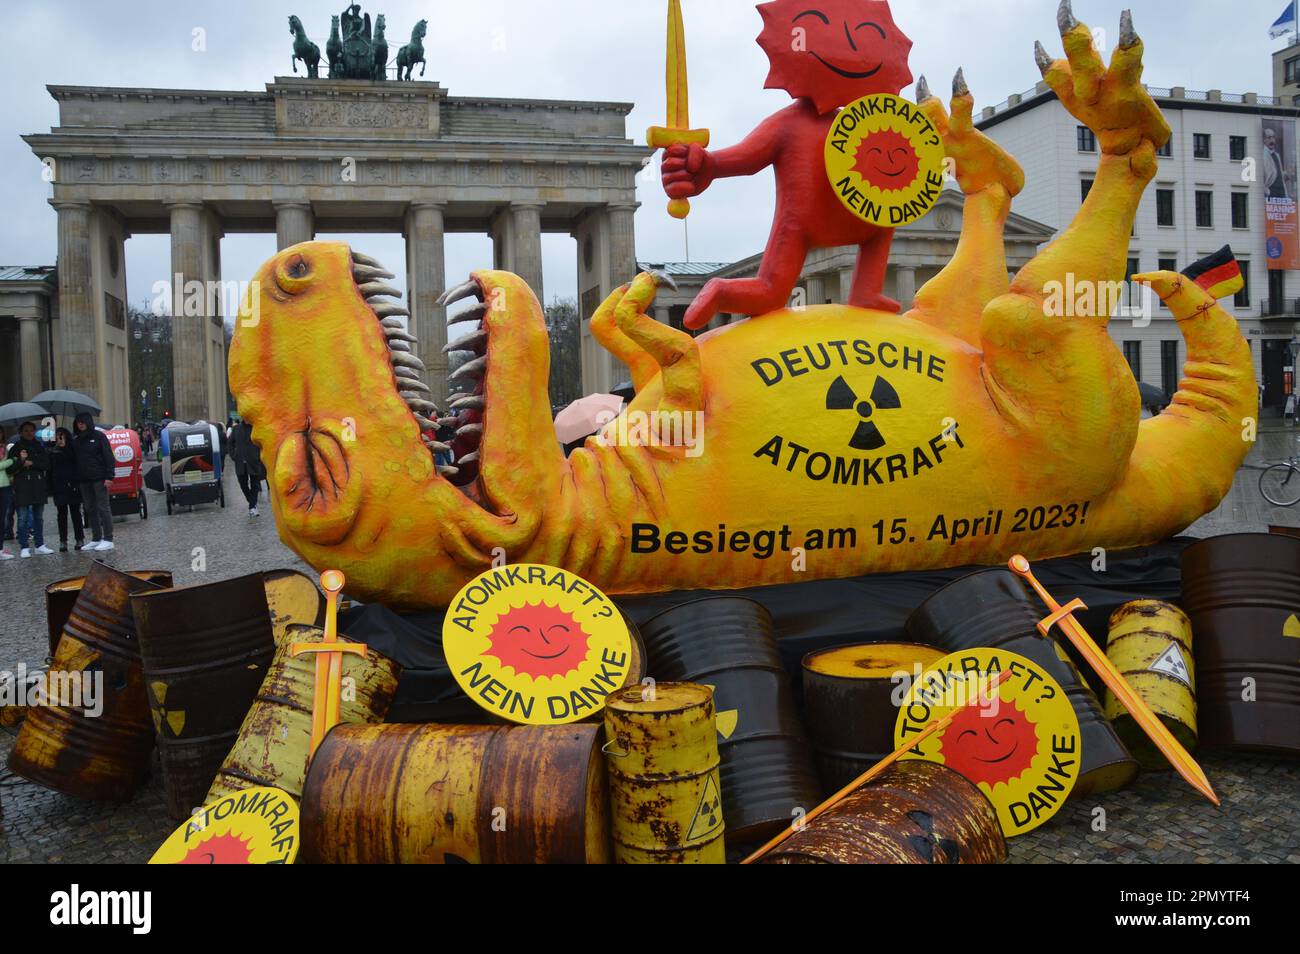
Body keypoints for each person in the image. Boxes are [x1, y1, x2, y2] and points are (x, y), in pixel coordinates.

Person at [72, 411, 117, 552]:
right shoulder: (76, 440)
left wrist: (109, 476)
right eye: (78, 422)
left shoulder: (99, 437)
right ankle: (96, 537)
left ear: (88, 422)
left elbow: (108, 457)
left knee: (103, 507)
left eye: (83, 422)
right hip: (84, 479)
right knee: (90, 509)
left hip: (99, 478)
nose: (81, 424)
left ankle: (108, 538)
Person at [9, 421, 53, 557]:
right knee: (23, 518)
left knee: (38, 517)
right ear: (21, 432)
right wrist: (21, 461)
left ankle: (40, 544)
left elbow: (46, 464)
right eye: (26, 431)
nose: (29, 433)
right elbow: (10, 468)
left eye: (31, 430)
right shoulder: (16, 448)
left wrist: (32, 463)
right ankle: (24, 546)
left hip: (38, 485)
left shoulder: (39, 446)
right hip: (22, 486)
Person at [48, 427, 85, 552]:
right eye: (57, 436)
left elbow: (75, 461)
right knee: (61, 515)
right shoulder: (53, 450)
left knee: (76, 513)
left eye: (62, 435)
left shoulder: (73, 448)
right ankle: (63, 541)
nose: (60, 438)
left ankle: (79, 539)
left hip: (73, 484)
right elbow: (50, 467)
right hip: (59, 485)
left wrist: (64, 447)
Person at [228, 419, 266, 516]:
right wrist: (233, 455)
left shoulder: (256, 428)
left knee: (255, 485)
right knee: (243, 484)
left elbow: (263, 443)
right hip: (240, 462)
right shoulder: (236, 429)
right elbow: (230, 443)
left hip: (254, 461)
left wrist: (259, 456)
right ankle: (252, 503)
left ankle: (252, 507)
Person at [0, 427, 13, 559]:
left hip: (5, 486)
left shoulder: (5, 448)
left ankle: (0, 549)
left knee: (2, 518)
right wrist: (11, 461)